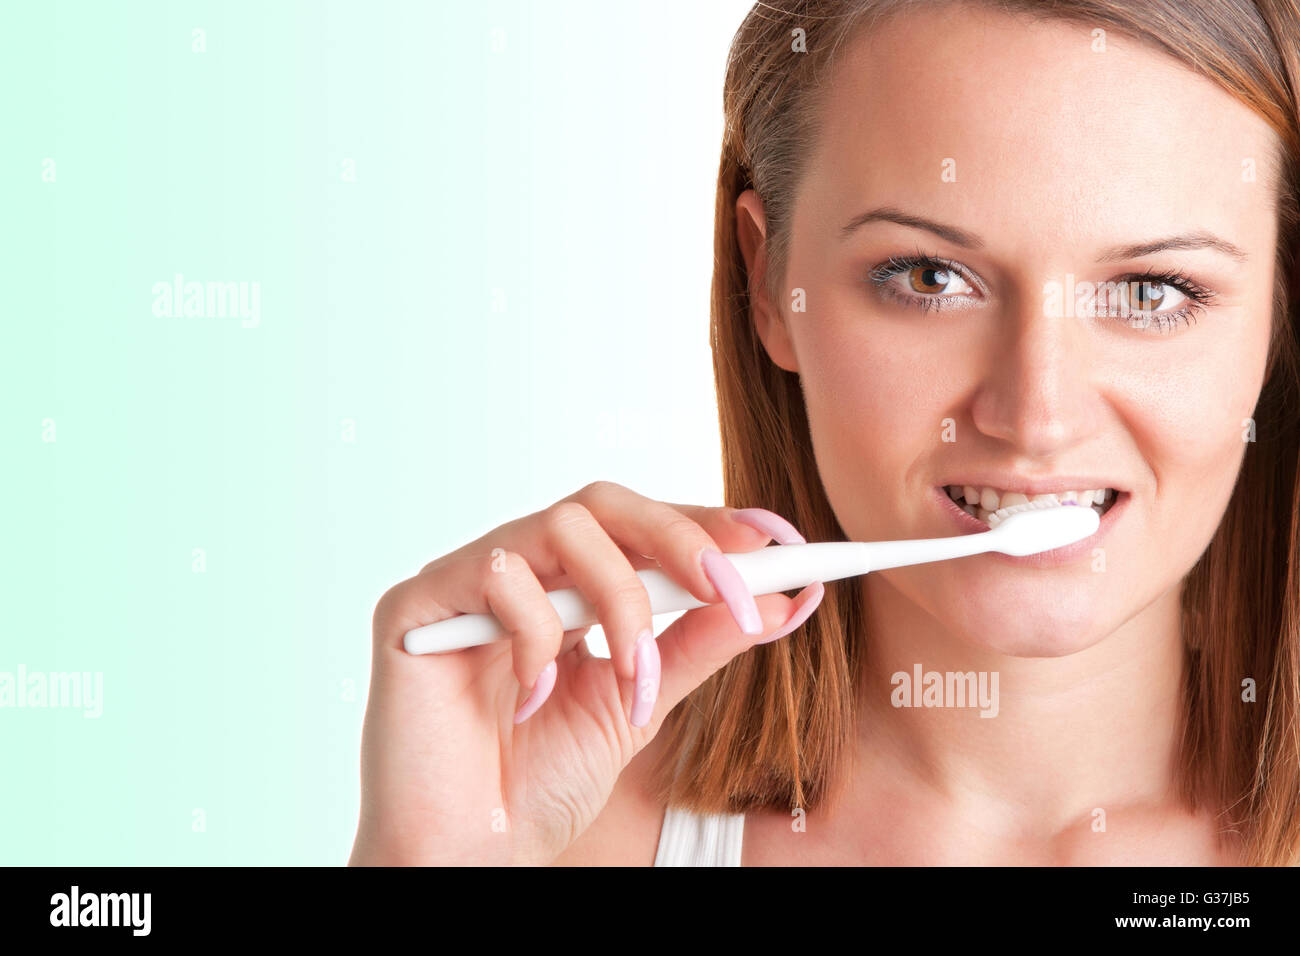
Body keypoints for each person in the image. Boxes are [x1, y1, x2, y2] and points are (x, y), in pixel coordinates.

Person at [349, 0, 1300, 866]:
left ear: (1280, 311)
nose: (1036, 417)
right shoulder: (558, 840)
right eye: (929, 278)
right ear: (771, 286)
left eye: (1152, 292)